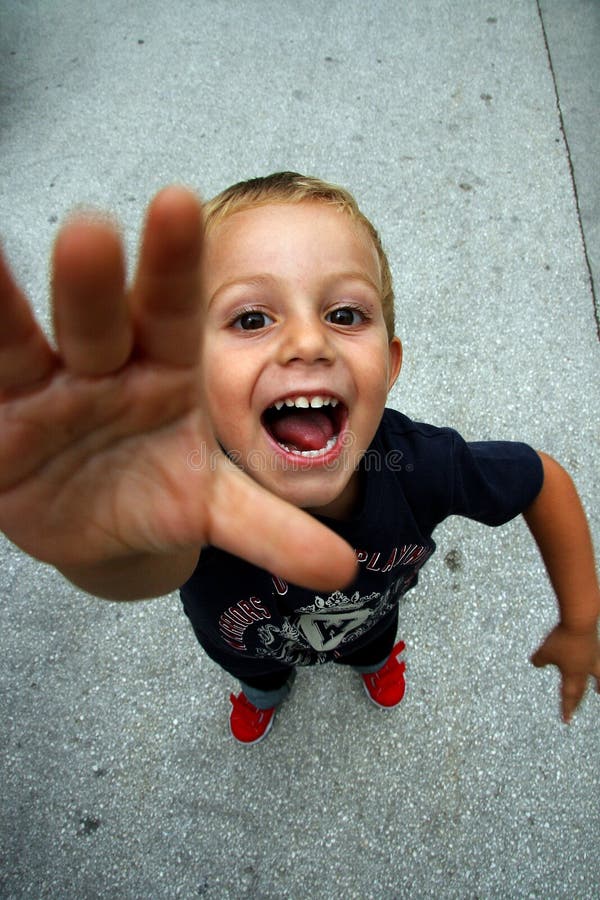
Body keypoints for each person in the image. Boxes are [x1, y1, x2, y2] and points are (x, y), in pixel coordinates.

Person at [0, 173, 598, 746]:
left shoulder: (421, 467)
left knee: (370, 644)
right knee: (258, 676)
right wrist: (97, 550)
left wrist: (581, 619)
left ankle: (375, 665)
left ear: (389, 365)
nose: (309, 342)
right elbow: (151, 561)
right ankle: (262, 696)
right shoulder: (187, 484)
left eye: (344, 314)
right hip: (247, 645)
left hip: (368, 619)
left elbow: (542, 480)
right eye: (252, 318)